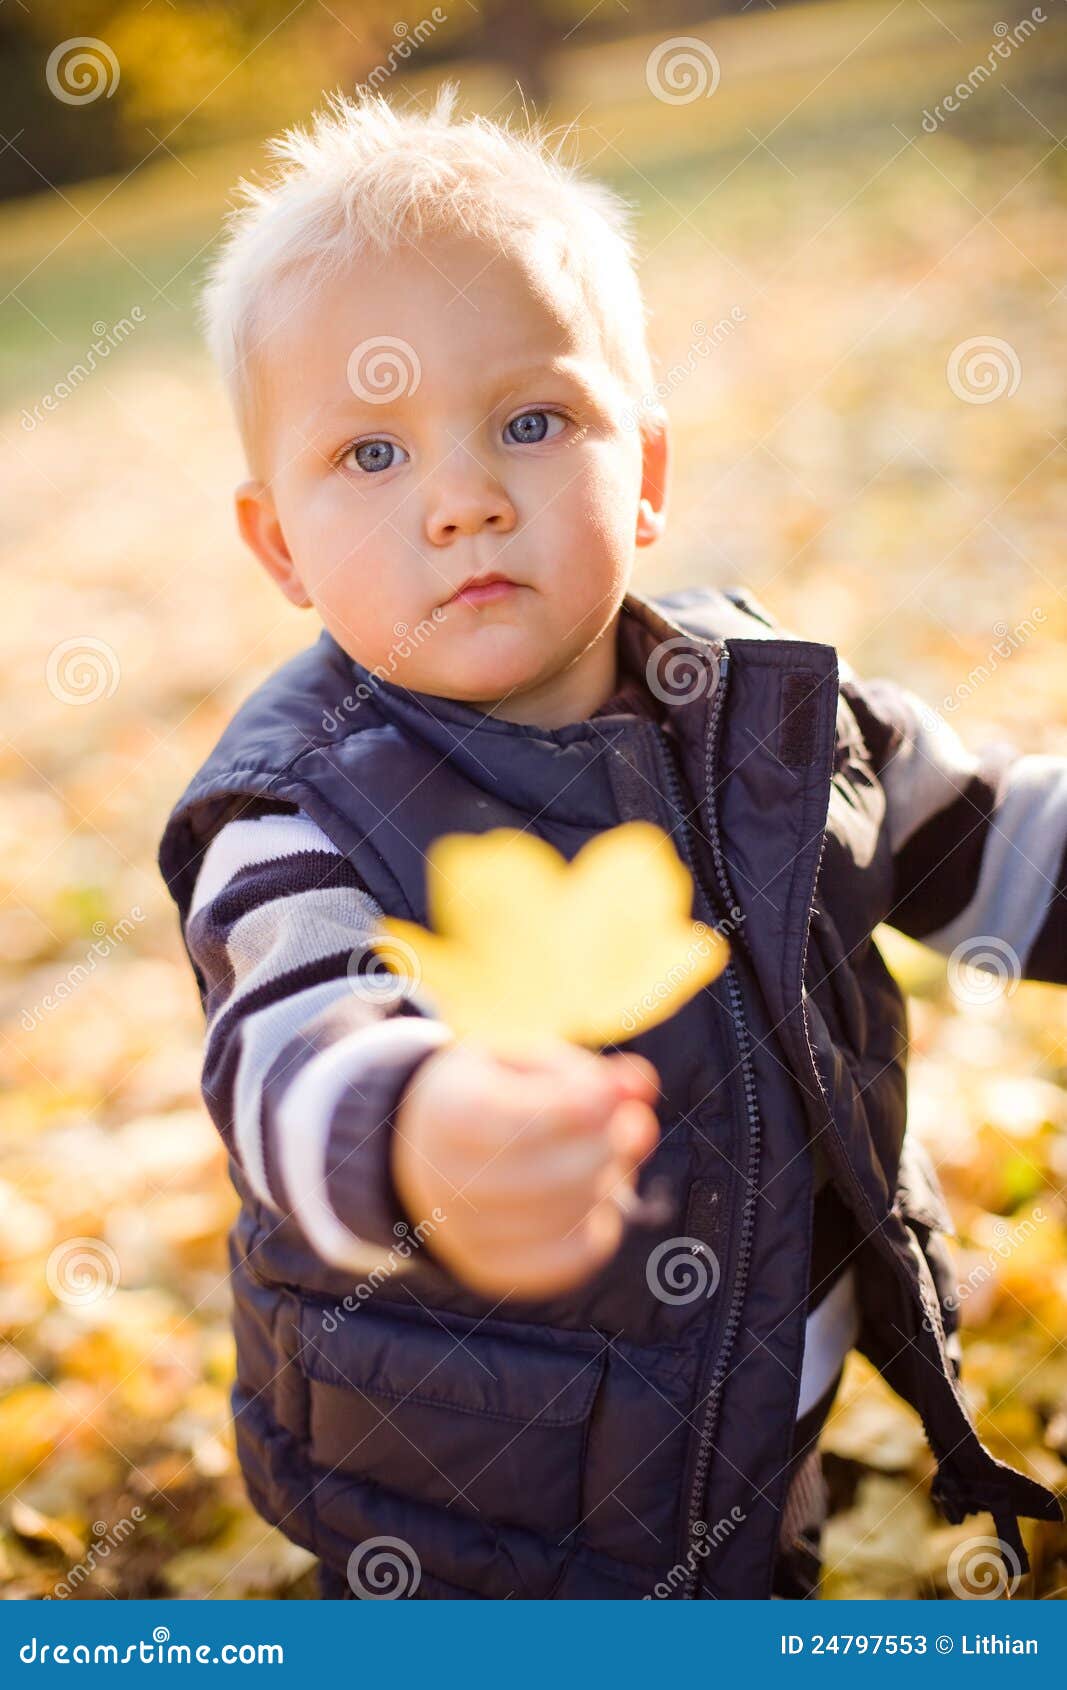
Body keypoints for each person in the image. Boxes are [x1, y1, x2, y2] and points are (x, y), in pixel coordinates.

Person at [157, 85, 1065, 1600]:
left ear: (642, 471)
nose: (462, 499)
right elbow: (286, 1045)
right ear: (278, 545)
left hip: (765, 1418)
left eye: (530, 421)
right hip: (468, 1524)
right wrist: (420, 1128)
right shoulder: (295, 811)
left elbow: (998, 846)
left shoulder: (776, 723)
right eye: (370, 455)